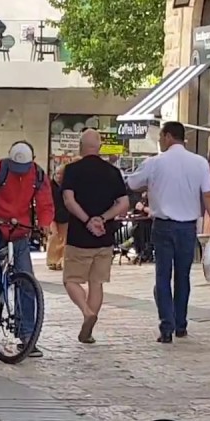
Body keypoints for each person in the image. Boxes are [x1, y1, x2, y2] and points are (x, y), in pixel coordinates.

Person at [126, 121, 210, 344]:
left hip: (163, 225)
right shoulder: (199, 163)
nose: (160, 141)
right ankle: (181, 324)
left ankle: (166, 327)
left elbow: (132, 183)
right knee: (183, 277)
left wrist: (151, 186)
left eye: (161, 137)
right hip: (188, 227)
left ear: (168, 137)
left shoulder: (155, 163)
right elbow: (208, 195)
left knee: (162, 275)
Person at [0, 140, 54, 358]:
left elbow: (45, 203)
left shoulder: (38, 175)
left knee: (26, 279)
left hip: (19, 228)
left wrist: (45, 223)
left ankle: (27, 336)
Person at [61, 129, 130, 344]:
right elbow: (124, 203)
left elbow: (69, 200)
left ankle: (86, 311)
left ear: (81, 147)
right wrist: (102, 218)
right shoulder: (112, 172)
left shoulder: (72, 170)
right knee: (96, 283)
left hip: (79, 237)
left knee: (71, 280)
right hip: (104, 237)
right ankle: (89, 329)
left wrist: (87, 220)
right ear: (99, 147)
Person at [46, 164, 69, 271]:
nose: (59, 176)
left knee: (64, 239)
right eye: (57, 173)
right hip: (52, 215)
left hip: (65, 214)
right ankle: (52, 260)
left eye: (61, 174)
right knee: (54, 236)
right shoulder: (50, 186)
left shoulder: (67, 186)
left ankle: (61, 260)